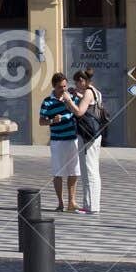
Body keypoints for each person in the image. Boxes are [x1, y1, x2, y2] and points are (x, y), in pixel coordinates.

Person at [39, 72, 82, 212]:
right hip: (57, 141)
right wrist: (52, 120)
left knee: (74, 171)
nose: (63, 89)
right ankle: (60, 202)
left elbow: (78, 113)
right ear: (54, 86)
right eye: (60, 87)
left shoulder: (72, 98)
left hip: (72, 139)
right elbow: (41, 121)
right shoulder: (47, 102)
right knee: (58, 172)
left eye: (64, 86)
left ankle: (72, 201)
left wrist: (70, 101)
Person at [73, 69, 103, 215]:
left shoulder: (88, 92)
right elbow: (89, 103)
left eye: (77, 82)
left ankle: (90, 206)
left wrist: (67, 100)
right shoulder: (96, 92)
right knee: (93, 170)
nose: (76, 85)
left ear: (82, 81)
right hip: (96, 134)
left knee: (88, 171)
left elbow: (79, 111)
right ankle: (92, 204)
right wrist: (77, 95)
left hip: (87, 135)